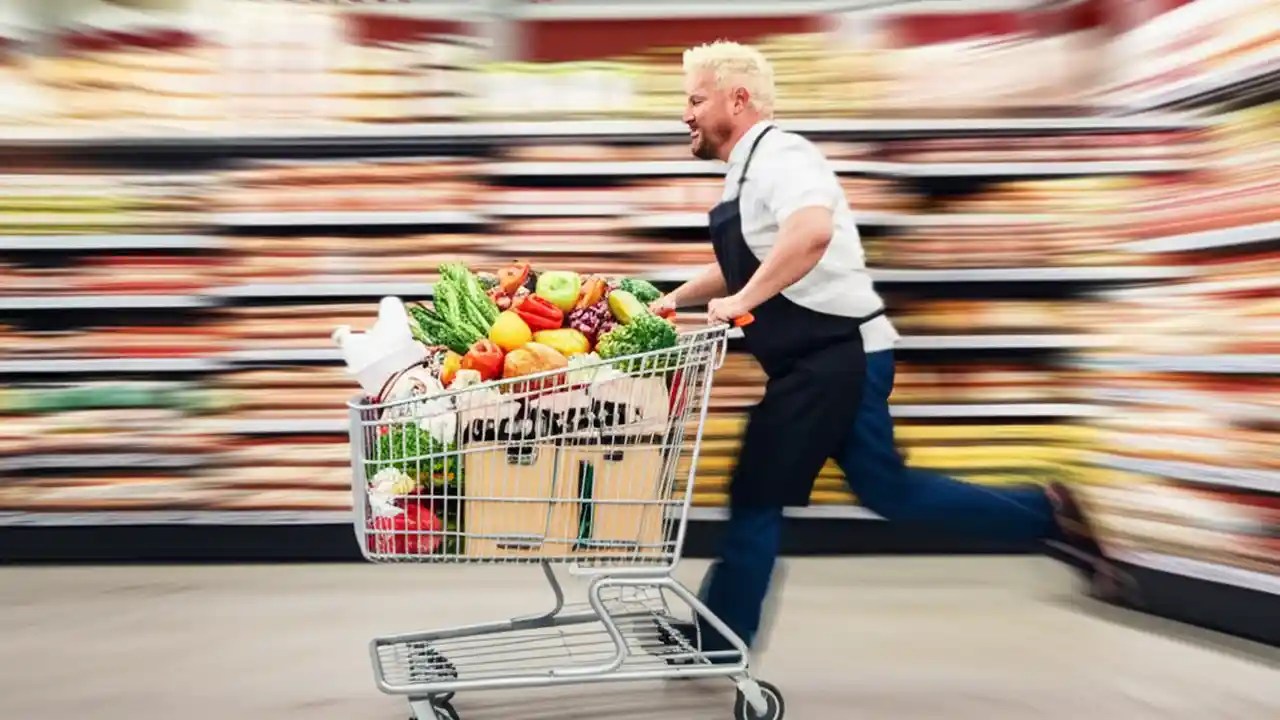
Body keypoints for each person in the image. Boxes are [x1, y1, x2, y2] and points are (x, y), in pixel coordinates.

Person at [650, 40, 1126, 659]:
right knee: (886, 490)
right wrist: (675, 299)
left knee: (759, 486)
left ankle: (718, 641)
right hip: (823, 356)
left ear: (737, 100)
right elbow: (750, 260)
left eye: (695, 99)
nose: (684, 114)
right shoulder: (747, 169)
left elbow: (810, 234)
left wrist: (742, 300)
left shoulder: (783, 157)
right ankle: (1047, 512)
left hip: (837, 353)